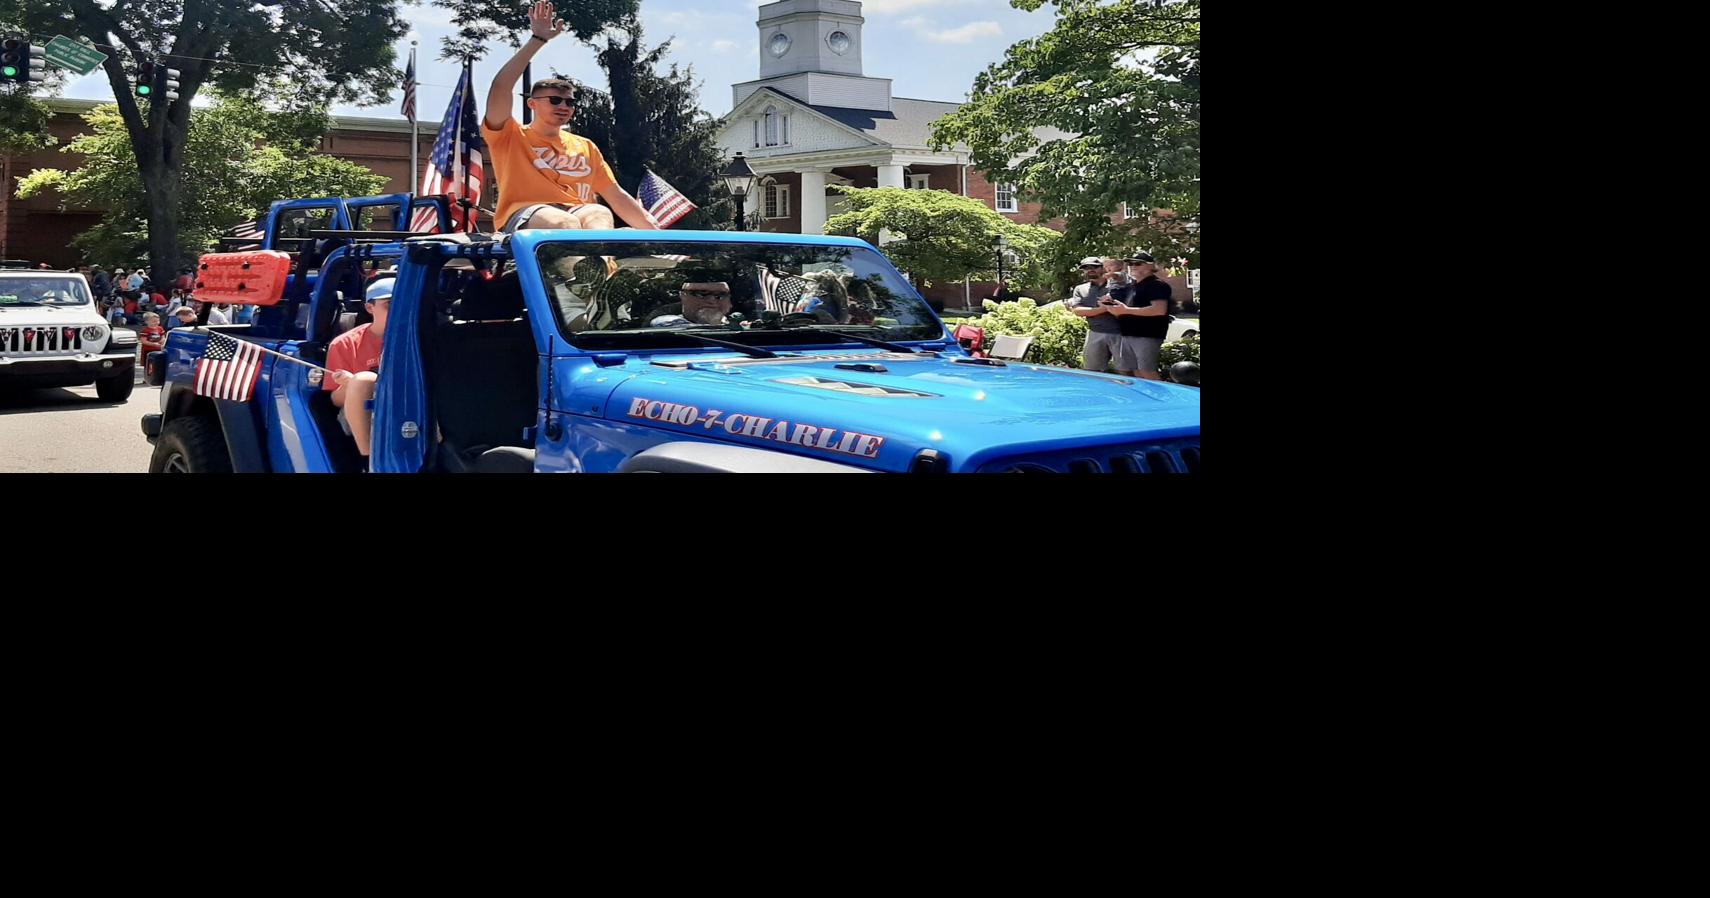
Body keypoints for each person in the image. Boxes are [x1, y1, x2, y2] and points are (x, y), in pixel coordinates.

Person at [481, 1, 661, 234]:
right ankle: (578, 266)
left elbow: (616, 197)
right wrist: (538, 40)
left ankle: (596, 267)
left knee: (600, 213)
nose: (564, 106)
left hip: (576, 213)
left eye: (570, 102)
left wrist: (659, 237)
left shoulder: (585, 147)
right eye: (555, 100)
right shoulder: (509, 136)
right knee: (563, 223)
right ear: (532, 104)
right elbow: (500, 88)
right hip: (525, 217)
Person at [325, 278, 392, 463]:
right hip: (367, 411)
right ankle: (368, 459)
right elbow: (334, 399)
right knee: (363, 380)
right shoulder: (345, 344)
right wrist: (351, 385)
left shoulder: (420, 338)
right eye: (389, 305)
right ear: (370, 308)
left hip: (408, 402)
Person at [1105, 251, 1174, 381]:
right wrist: (1113, 307)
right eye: (1130, 263)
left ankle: (1161, 399)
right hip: (1128, 334)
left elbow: (1159, 310)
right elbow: (1127, 309)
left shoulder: (1157, 285)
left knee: (1147, 371)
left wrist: (1125, 310)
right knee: (1135, 371)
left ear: (1151, 266)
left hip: (1147, 335)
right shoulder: (1133, 286)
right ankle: (1145, 399)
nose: (1133, 266)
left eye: (1138, 263)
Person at [1065, 256, 1123, 372]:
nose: (1090, 270)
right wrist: (1105, 309)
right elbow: (1077, 311)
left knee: (1126, 371)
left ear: (1103, 268)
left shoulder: (1117, 286)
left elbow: (1123, 308)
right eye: (1086, 268)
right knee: (1092, 371)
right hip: (1095, 333)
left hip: (1120, 333)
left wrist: (1095, 310)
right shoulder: (1080, 289)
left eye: (1094, 267)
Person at [650, 280, 734, 327]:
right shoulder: (666, 322)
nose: (711, 300)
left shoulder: (740, 328)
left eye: (721, 295)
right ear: (683, 296)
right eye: (701, 294)